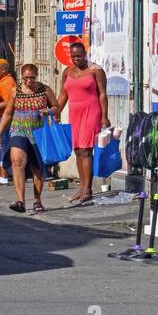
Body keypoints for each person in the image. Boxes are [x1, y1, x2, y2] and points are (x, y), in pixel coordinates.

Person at [0, 63, 57, 214]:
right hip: (18, 129)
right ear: (21, 77)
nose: (28, 81)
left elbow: (57, 106)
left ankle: (37, 200)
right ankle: (20, 201)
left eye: (31, 78)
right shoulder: (15, 91)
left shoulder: (45, 90)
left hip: (38, 132)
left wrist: (48, 111)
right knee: (17, 162)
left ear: (36, 76)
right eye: (25, 78)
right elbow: (8, 113)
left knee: (37, 167)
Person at [55, 40, 107, 206]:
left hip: (91, 112)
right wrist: (56, 111)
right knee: (77, 150)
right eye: (73, 56)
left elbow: (102, 94)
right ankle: (82, 186)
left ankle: (87, 189)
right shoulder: (67, 72)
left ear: (85, 55)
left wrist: (105, 116)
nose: (76, 59)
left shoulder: (96, 70)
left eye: (79, 56)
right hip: (75, 114)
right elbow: (63, 94)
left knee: (86, 150)